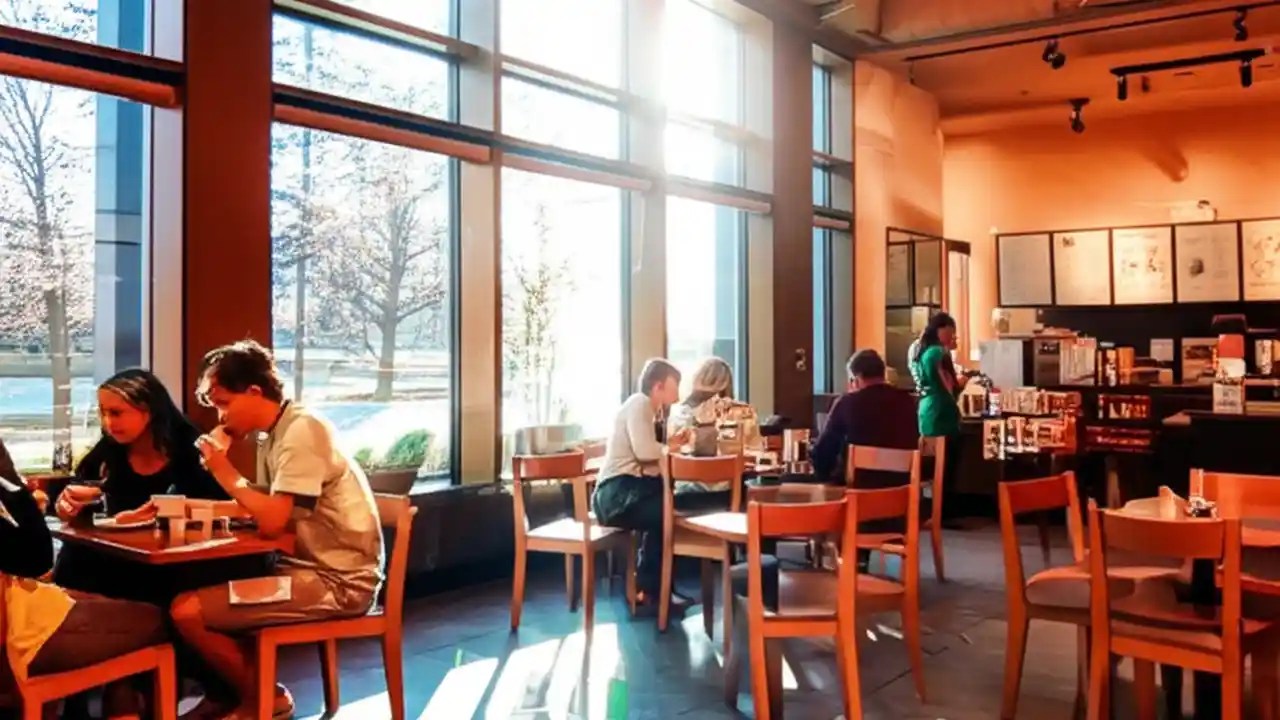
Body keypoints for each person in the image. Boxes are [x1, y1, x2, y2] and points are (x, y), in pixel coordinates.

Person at [170, 340, 384, 720]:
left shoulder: (302, 431)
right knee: (204, 585)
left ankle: (264, 699)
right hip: (308, 568)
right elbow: (269, 504)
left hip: (338, 581)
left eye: (223, 403)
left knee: (188, 611)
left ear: (254, 392)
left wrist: (222, 470)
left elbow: (271, 521)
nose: (220, 417)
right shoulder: (278, 432)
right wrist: (190, 507)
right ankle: (237, 695)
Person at [0, 437, 169, 720]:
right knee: (157, 618)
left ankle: (113, 708)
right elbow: (38, 559)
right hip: (19, 635)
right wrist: (17, 491)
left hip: (20, 613)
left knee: (100, 599)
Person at [53, 368, 229, 601]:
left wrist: (151, 518)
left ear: (149, 410)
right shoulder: (109, 450)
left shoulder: (192, 449)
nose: (108, 423)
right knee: (74, 555)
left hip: (174, 565)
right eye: (102, 413)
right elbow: (80, 499)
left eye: (116, 413)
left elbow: (218, 510)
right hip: (118, 558)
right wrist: (68, 505)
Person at [592, 359, 716, 613]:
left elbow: (645, 453)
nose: (678, 392)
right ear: (658, 385)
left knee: (666, 506)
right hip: (615, 494)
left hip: (622, 492)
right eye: (674, 385)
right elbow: (644, 450)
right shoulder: (640, 404)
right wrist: (669, 448)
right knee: (667, 513)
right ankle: (653, 591)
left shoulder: (645, 408)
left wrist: (669, 444)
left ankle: (652, 590)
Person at [811, 349, 920, 487]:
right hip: (902, 492)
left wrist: (824, 477)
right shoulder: (907, 401)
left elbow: (823, 452)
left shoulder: (847, 403)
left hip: (858, 495)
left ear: (856, 379)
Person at [666, 357, 761, 491]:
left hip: (683, 493)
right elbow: (755, 455)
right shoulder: (742, 412)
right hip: (727, 494)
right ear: (728, 384)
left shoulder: (677, 413)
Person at [908, 312, 966, 524]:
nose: (951, 337)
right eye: (949, 332)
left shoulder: (919, 351)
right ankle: (942, 514)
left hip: (926, 410)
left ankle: (930, 512)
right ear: (940, 330)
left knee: (931, 466)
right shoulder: (938, 353)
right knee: (947, 465)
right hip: (942, 411)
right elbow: (950, 386)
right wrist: (963, 380)